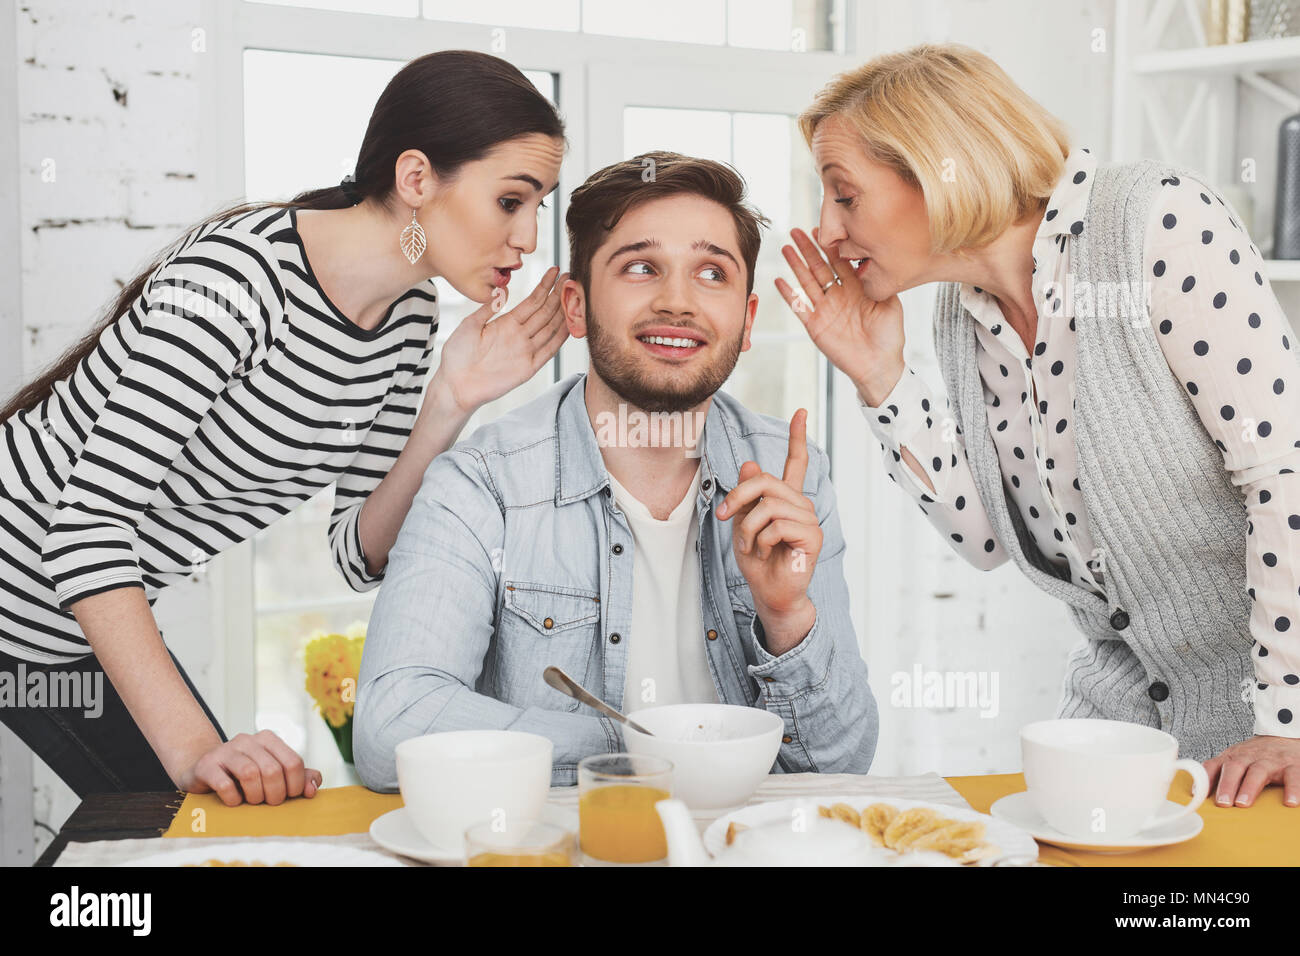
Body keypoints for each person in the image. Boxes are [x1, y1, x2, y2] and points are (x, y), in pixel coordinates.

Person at [0, 50, 570, 806]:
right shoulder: (233, 283)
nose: (530, 238)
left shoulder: (408, 320)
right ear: (416, 180)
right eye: (511, 201)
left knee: (193, 828)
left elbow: (358, 553)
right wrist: (201, 749)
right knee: (189, 819)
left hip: (76, 625)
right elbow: (86, 529)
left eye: (540, 206)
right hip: (33, 599)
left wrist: (450, 401)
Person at [778, 42, 1300, 808]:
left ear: (937, 166)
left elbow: (1283, 473)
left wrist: (1287, 717)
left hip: (1268, 736)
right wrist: (879, 376)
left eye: (844, 195)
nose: (826, 229)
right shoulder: (962, 315)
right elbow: (992, 541)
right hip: (1118, 732)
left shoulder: (1156, 223)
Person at [354, 151, 879, 788]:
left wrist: (788, 618)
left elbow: (837, 765)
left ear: (745, 322)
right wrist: (636, 747)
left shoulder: (792, 478)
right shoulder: (481, 483)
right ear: (576, 307)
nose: (677, 302)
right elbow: (393, 728)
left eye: (712, 272)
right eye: (640, 267)